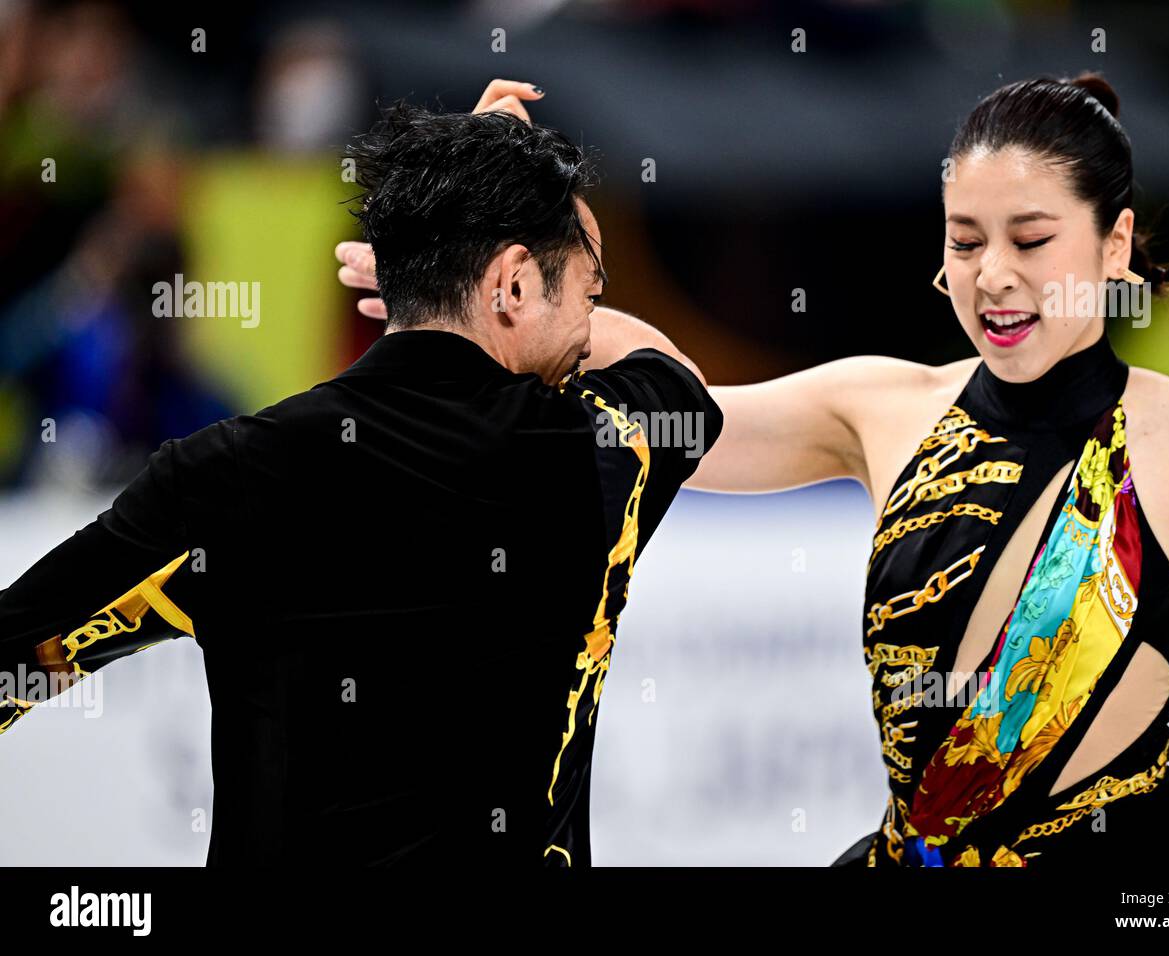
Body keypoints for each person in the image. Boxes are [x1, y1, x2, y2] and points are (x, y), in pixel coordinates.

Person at [341, 73, 1169, 866]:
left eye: (1032, 240)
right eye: (964, 242)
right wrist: (466, 265)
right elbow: (680, 409)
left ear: (1116, 242)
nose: (993, 275)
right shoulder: (883, 406)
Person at [0, 82, 721, 866]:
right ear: (512, 284)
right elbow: (677, 376)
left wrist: (449, 233)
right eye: (590, 292)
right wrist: (472, 209)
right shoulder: (586, 453)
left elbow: (17, 653)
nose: (588, 328)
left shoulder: (230, 470)